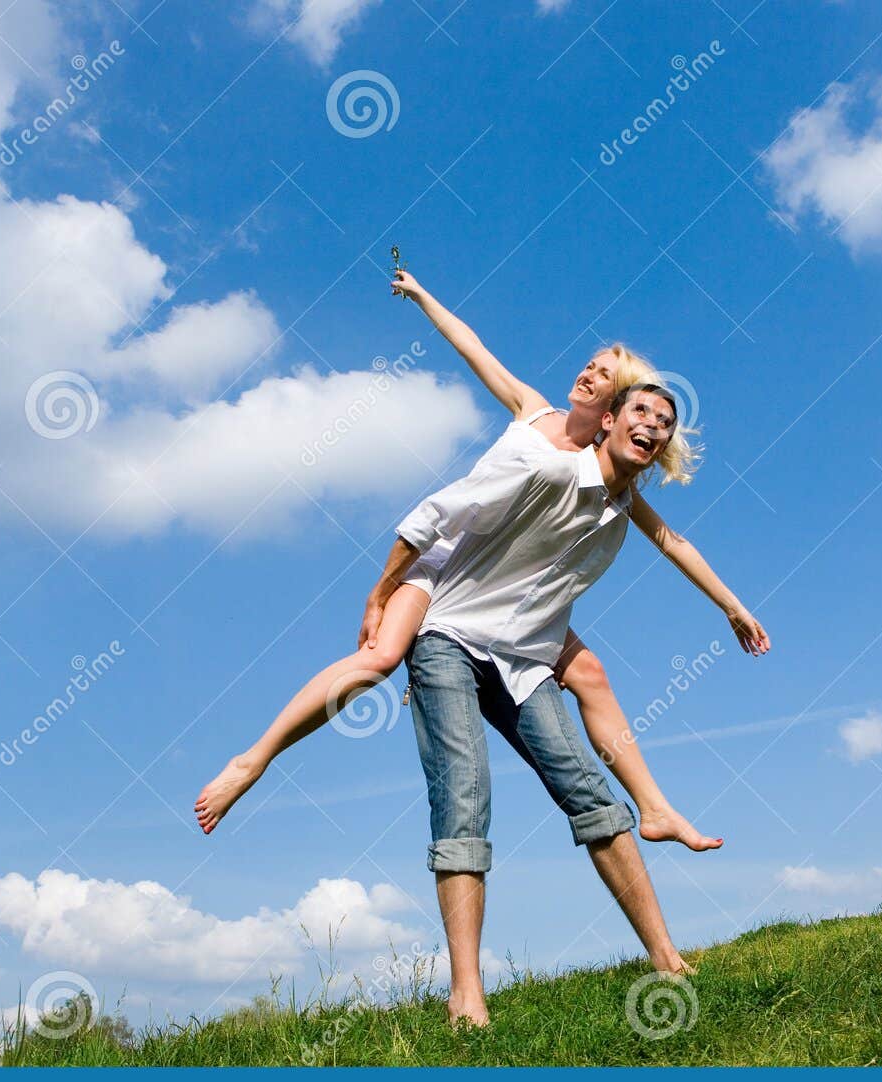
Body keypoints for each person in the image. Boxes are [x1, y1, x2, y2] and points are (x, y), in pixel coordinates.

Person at [194, 268, 769, 848]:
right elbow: (472, 346)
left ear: (617, 405)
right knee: (383, 656)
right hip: (449, 560)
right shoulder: (534, 410)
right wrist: (422, 297)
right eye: (589, 365)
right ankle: (254, 759)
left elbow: (673, 541)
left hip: (510, 591)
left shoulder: (608, 475)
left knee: (591, 673)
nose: (587, 375)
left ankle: (656, 809)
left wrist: (733, 608)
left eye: (602, 376)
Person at [382, 381, 700, 1026]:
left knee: (588, 788)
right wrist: (380, 596)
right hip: (447, 636)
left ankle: (667, 957)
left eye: (665, 421)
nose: (653, 425)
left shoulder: (621, 507)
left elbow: (679, 548)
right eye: (640, 411)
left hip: (525, 658)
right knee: (465, 796)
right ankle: (467, 992)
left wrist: (732, 609)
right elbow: (438, 512)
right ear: (606, 422)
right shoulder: (551, 466)